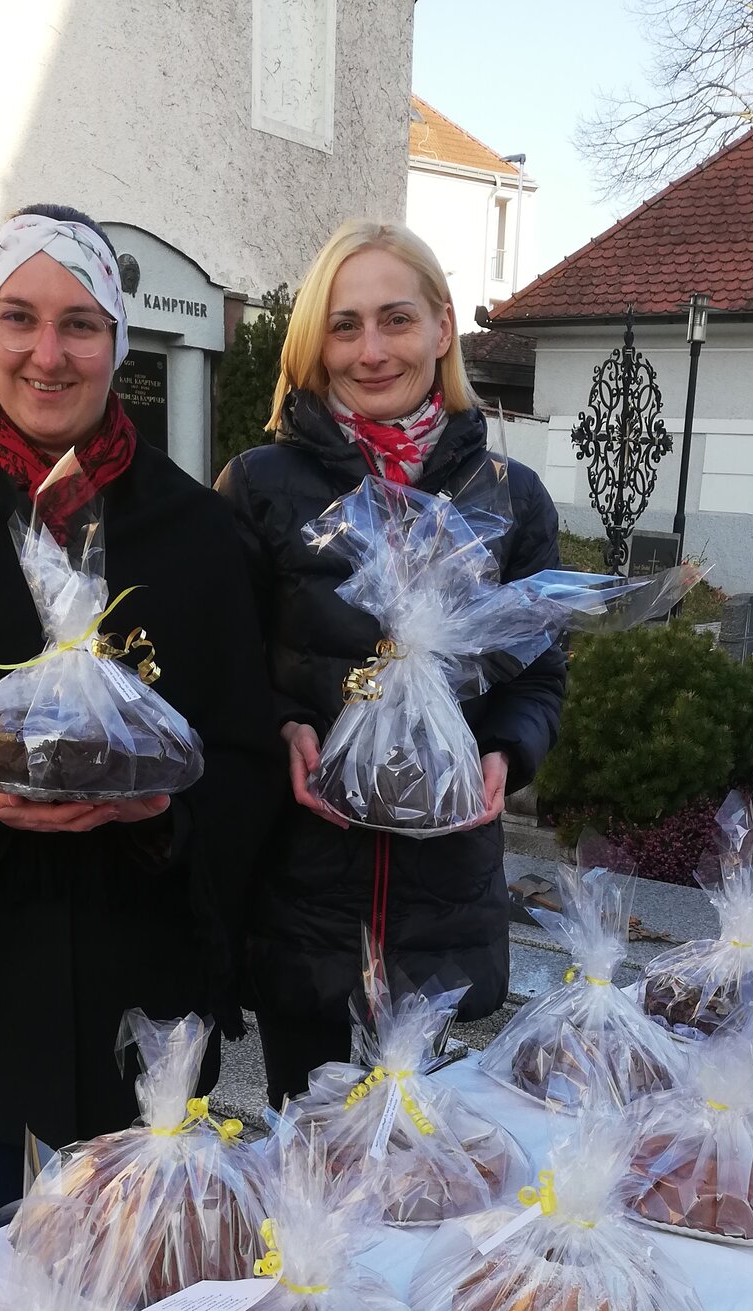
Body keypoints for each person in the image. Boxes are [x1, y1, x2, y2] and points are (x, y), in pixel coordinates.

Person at [0, 205, 282, 1237]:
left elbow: (245, 748)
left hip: (149, 1000)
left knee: (152, 1273)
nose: (48, 352)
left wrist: (167, 817)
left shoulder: (195, 529)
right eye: (19, 318)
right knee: (10, 1278)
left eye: (80, 323)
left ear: (119, 338)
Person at [216, 220, 565, 1106]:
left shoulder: (510, 497)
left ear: (443, 329)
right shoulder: (260, 485)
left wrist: (507, 753)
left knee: (422, 1167)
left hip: (443, 888)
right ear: (315, 343)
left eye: (396, 320)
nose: (371, 351)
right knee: (310, 1153)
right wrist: (279, 725)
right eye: (344, 325)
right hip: (304, 883)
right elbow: (218, 664)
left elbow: (538, 673)